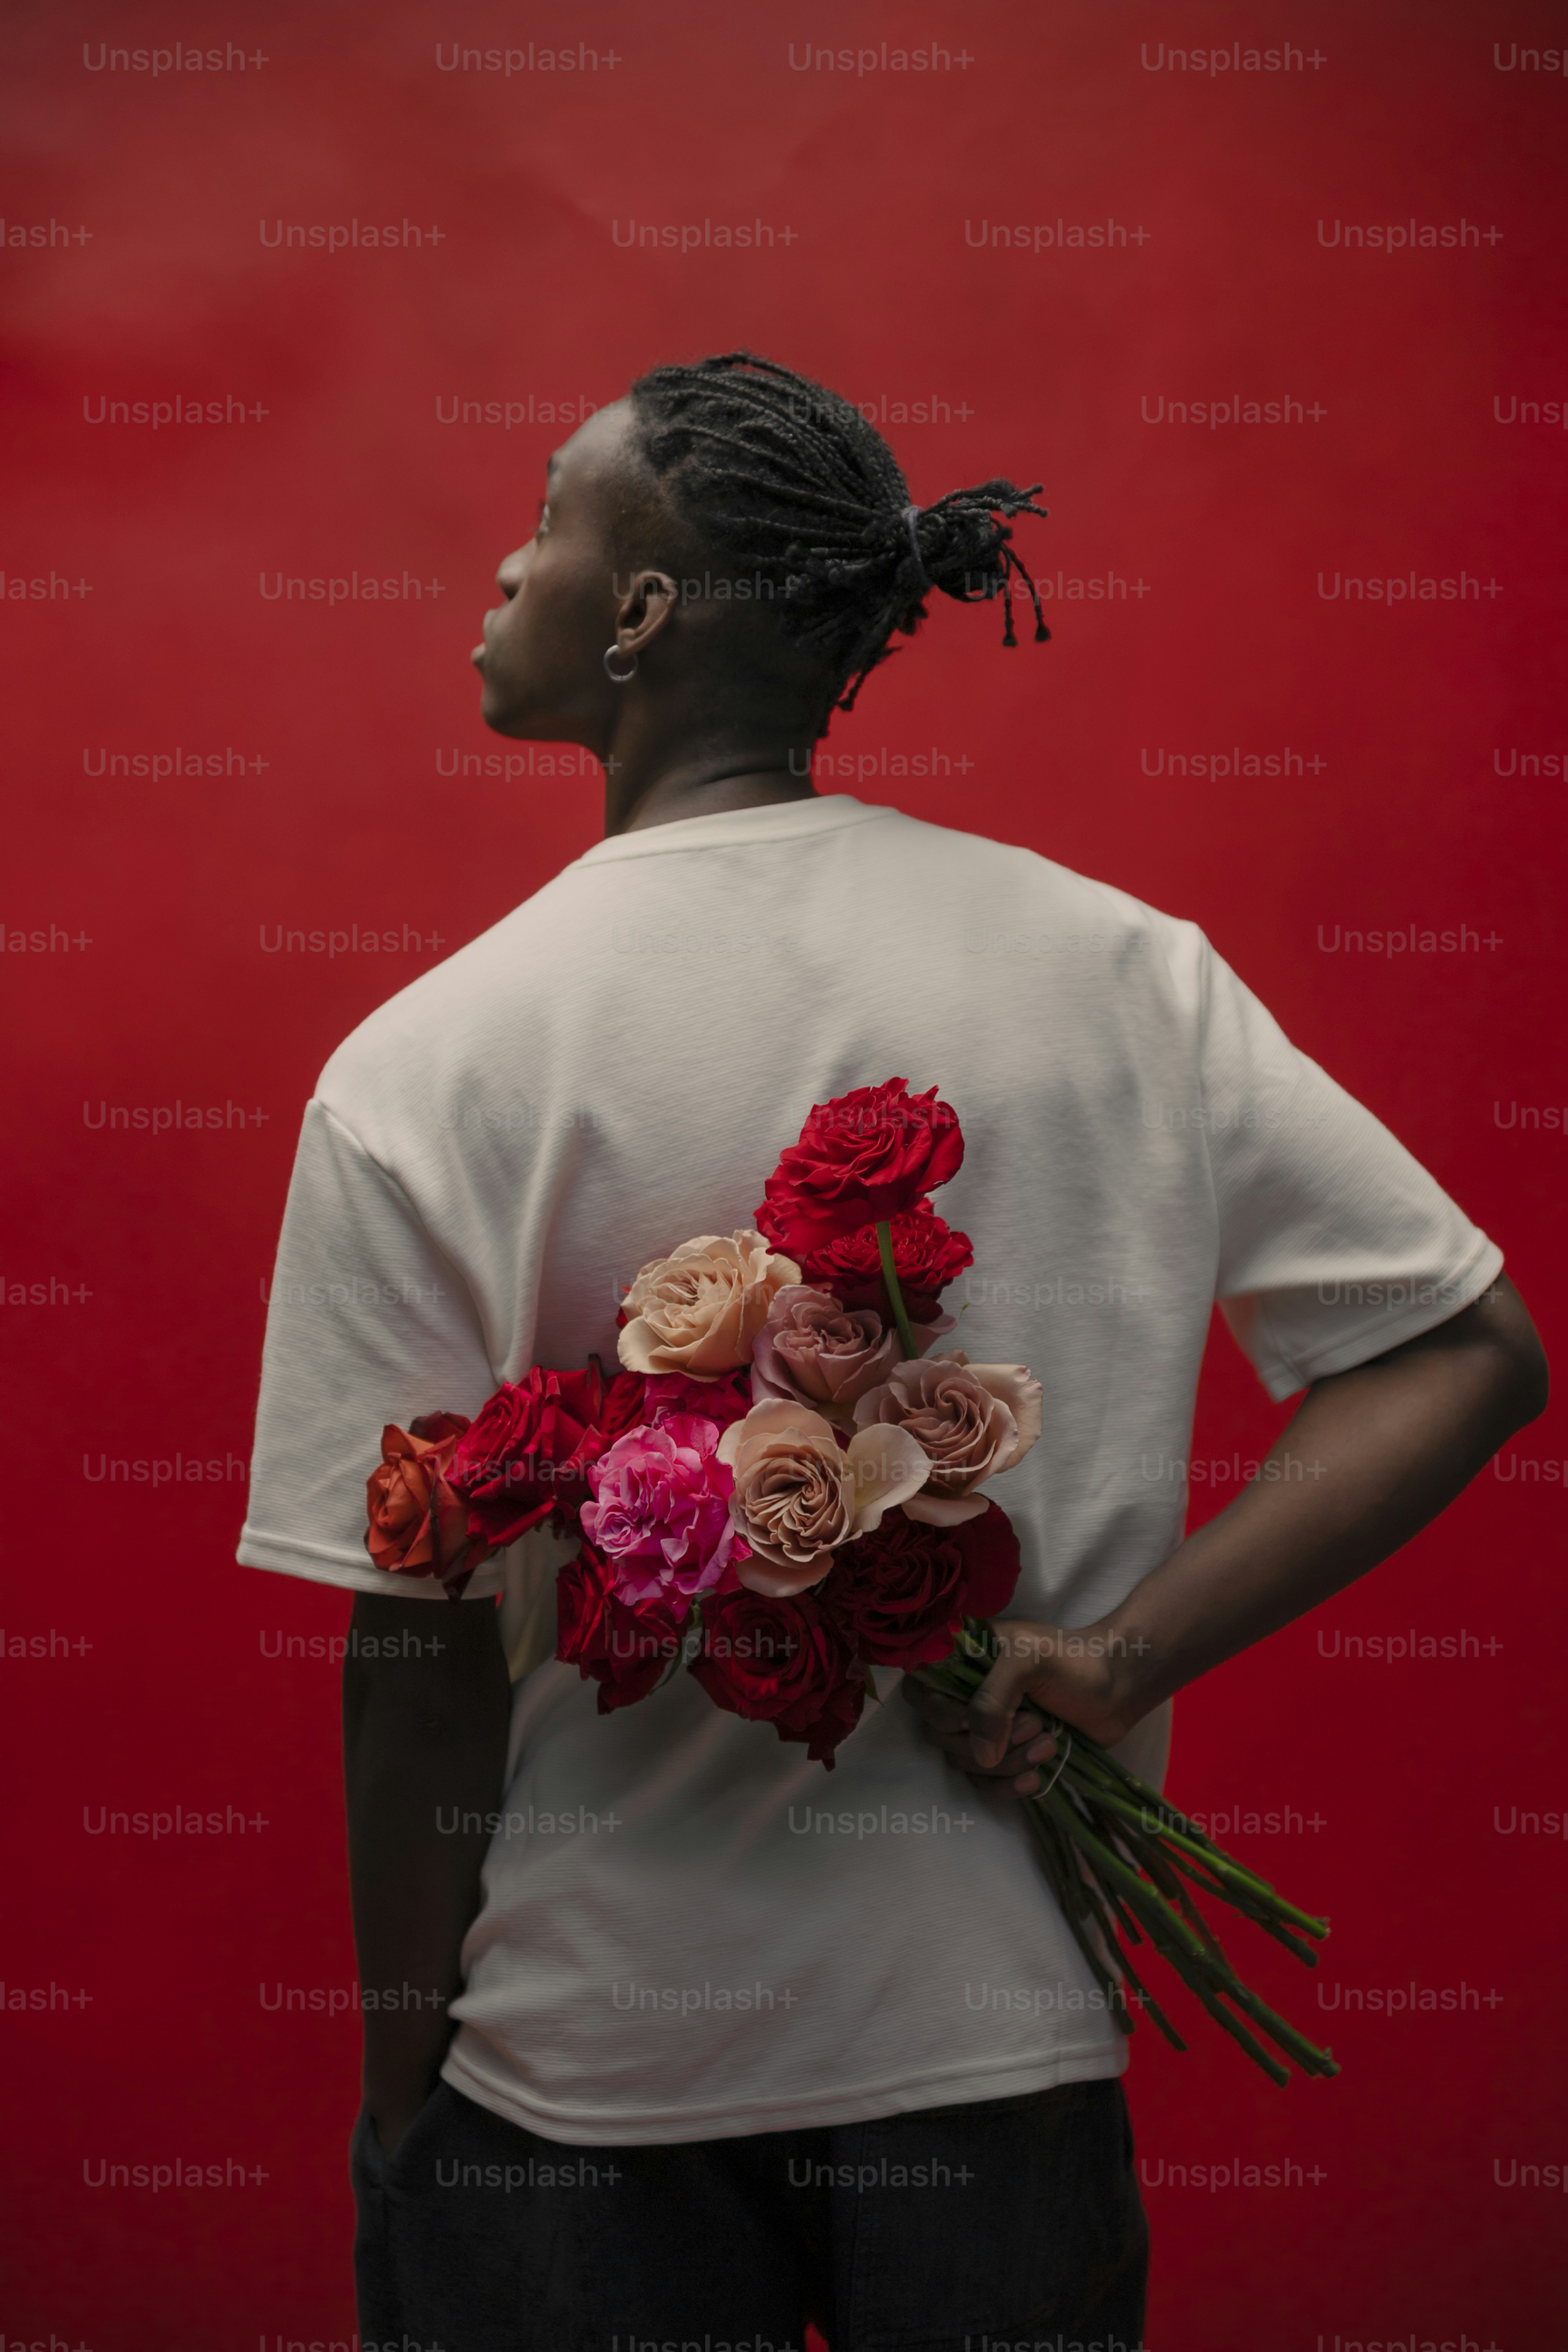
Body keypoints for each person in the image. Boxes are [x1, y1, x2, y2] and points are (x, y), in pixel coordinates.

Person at [238, 351, 1547, 2352]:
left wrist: (400, 2102)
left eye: (544, 516)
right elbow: (1465, 1351)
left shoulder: (430, 1063)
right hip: (1000, 2056)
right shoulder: (1122, 972)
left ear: (646, 611)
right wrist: (1119, 1661)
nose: (502, 565)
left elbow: (410, 1648)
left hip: (581, 2092)